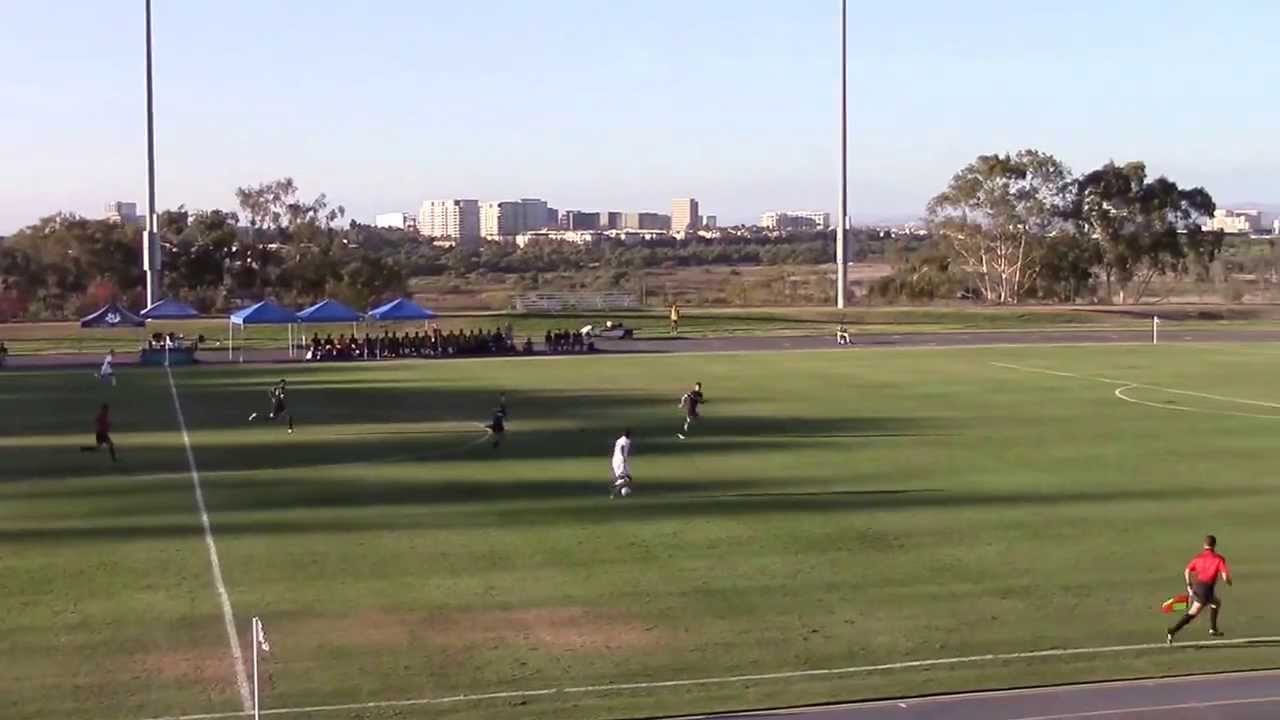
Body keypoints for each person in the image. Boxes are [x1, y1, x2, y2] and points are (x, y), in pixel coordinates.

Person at [1168, 535, 1232, 644]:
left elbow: (1187, 570)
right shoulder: (1219, 559)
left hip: (1199, 586)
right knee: (1193, 613)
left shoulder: (1198, 558)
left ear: (1204, 545)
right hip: (1206, 590)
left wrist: (1189, 585)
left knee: (1216, 603)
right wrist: (1229, 582)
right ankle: (1172, 631)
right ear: (1215, 545)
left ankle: (1213, 629)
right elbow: (1225, 577)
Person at [610, 429, 633, 499]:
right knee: (625, 478)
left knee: (627, 478)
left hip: (615, 460)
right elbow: (623, 447)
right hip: (621, 461)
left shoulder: (619, 440)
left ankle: (614, 493)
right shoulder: (626, 441)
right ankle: (618, 487)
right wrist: (623, 457)